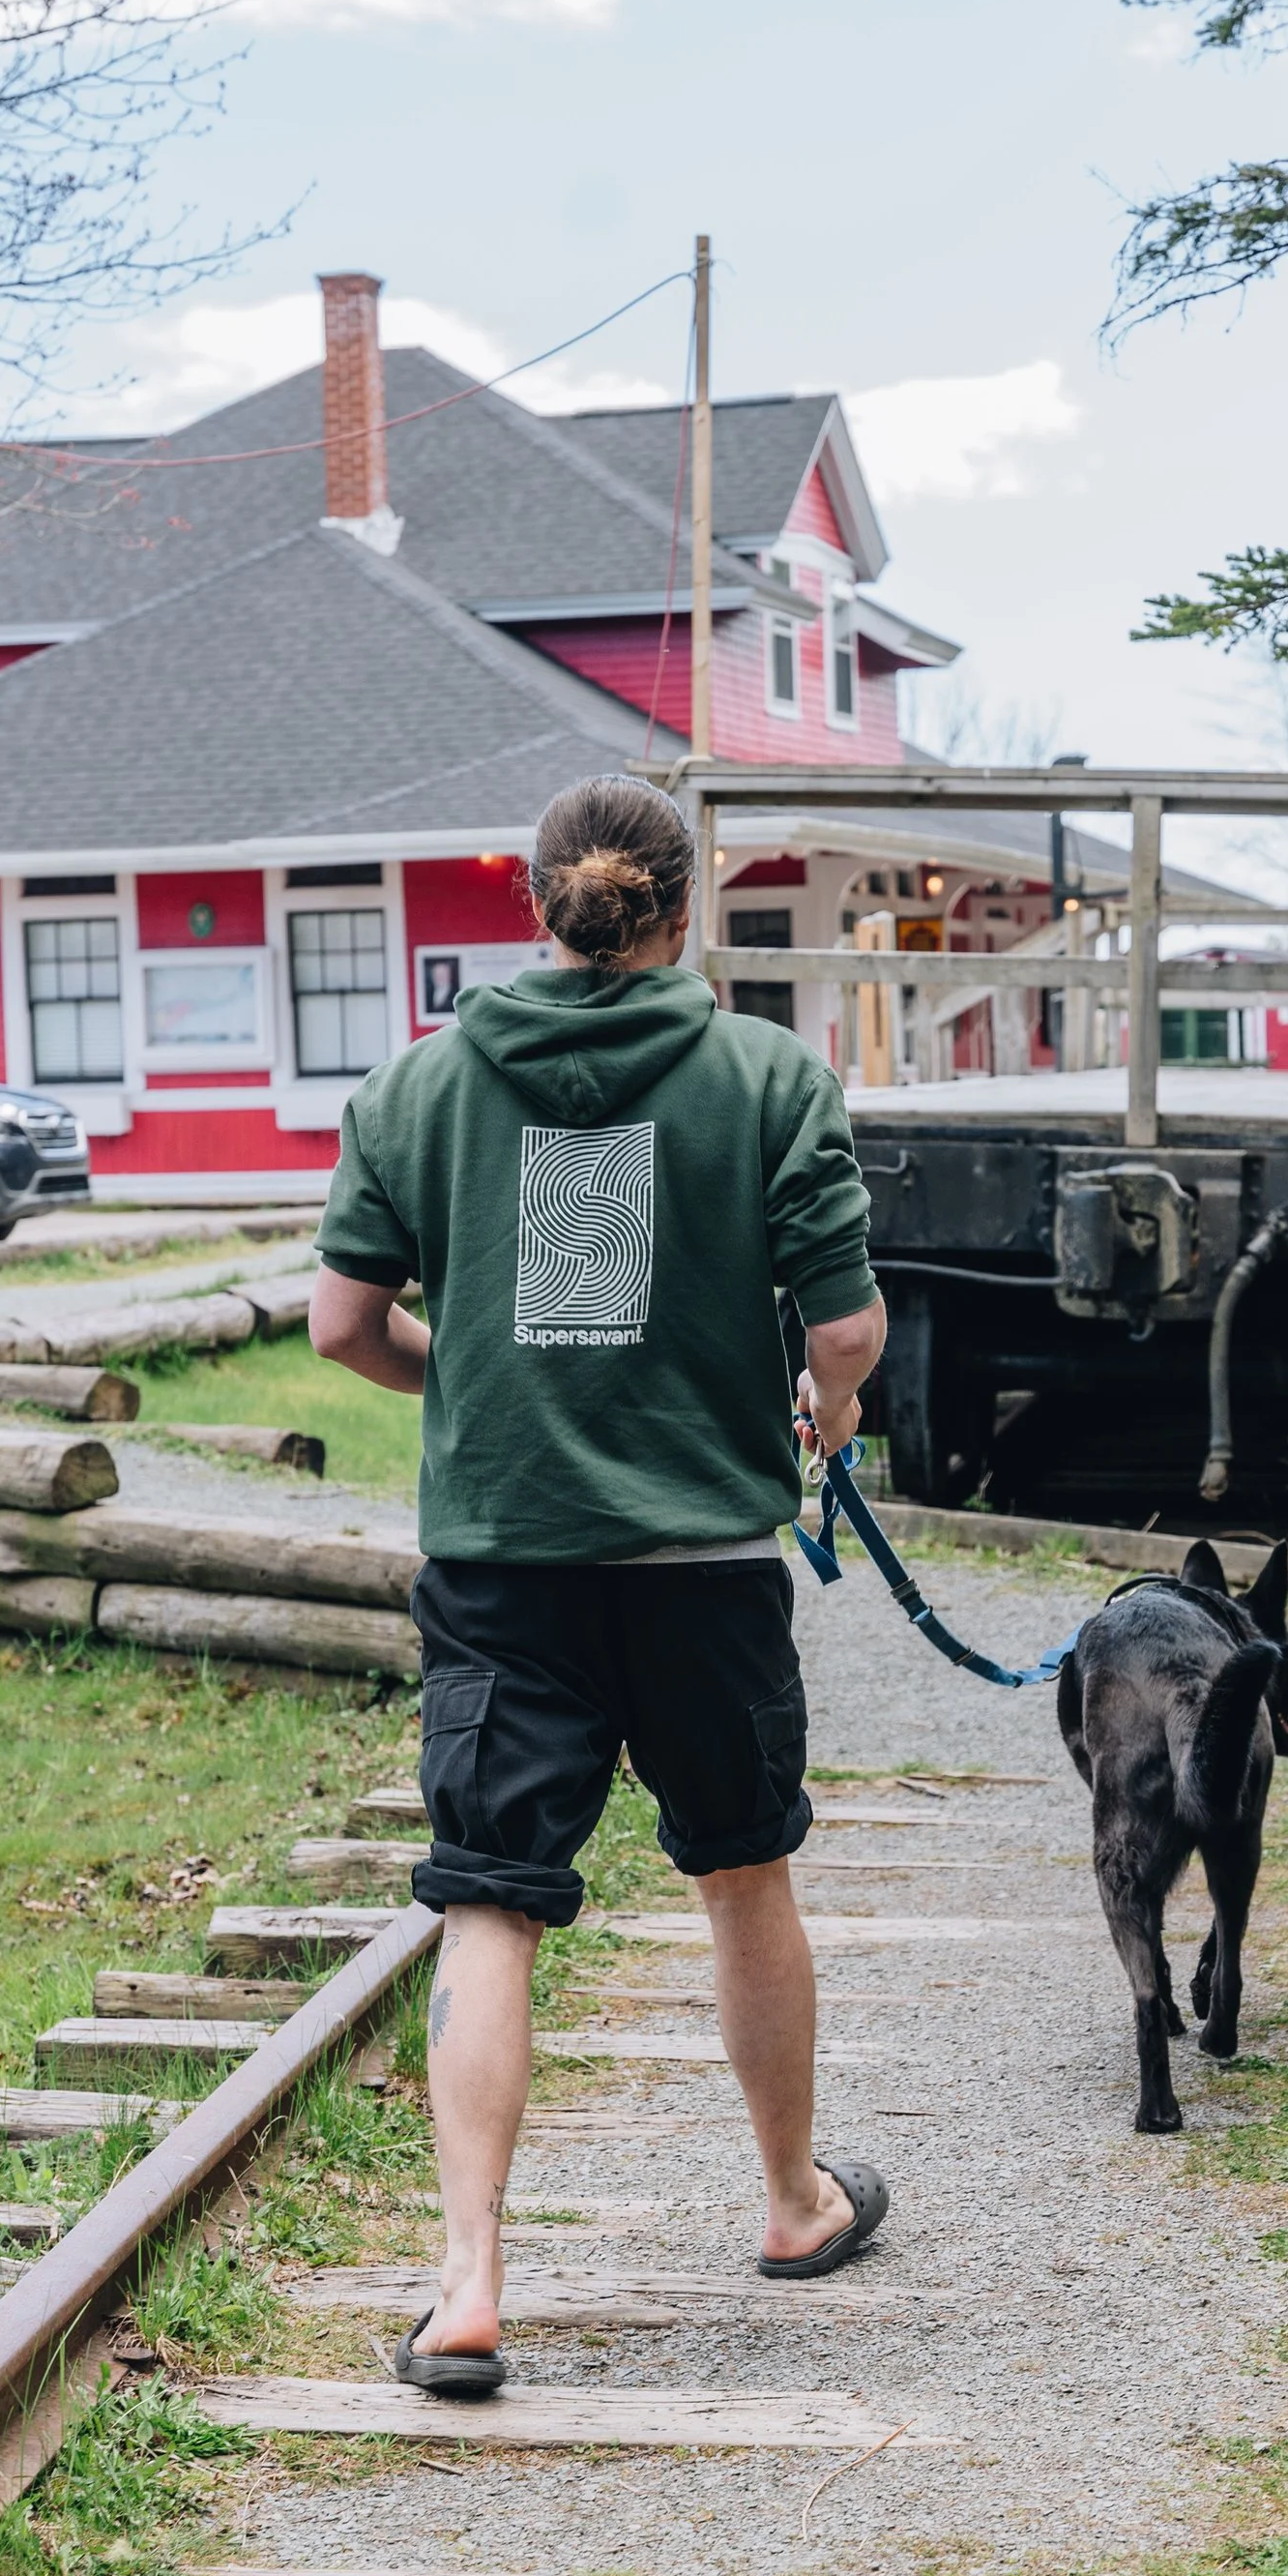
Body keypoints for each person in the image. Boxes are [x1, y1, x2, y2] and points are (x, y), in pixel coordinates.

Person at [308, 776, 890, 2393]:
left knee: (488, 1901)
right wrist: (823, 1417)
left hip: (506, 1565)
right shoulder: (766, 1076)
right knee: (741, 1872)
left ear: (533, 901)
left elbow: (342, 1328)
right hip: (705, 1566)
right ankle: (790, 2200)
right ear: (686, 910)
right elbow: (842, 1335)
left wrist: (472, 1378)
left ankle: (471, 2286)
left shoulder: (416, 1086)